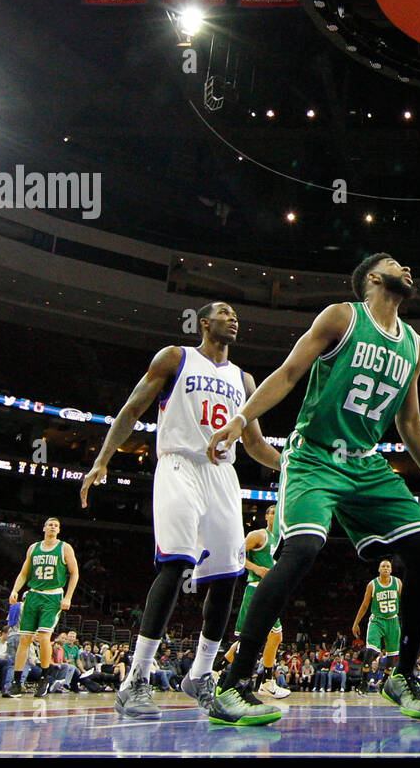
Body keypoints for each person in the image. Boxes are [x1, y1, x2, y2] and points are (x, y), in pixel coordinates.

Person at [206, 254, 420, 722]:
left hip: (366, 464)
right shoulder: (343, 317)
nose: (407, 268)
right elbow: (288, 373)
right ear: (372, 278)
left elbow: (409, 421)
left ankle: (402, 675)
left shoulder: (414, 343)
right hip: (314, 455)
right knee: (303, 549)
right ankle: (233, 684)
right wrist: (242, 418)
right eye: (395, 263)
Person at [80, 301, 282, 726]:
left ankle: (201, 675)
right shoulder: (175, 357)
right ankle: (134, 679)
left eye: (236, 315)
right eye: (225, 312)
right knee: (175, 565)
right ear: (204, 323)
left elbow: (255, 445)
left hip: (223, 475)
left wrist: (292, 463)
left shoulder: (243, 378)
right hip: (179, 464)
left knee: (229, 575)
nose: (234, 318)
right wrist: (103, 459)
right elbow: (133, 408)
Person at [3, 517, 79, 699]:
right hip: (33, 594)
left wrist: (68, 597)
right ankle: (16, 682)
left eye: (56, 525)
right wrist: (15, 590)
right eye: (50, 524)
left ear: (58, 530)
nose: (53, 527)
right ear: (44, 528)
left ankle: (44, 679)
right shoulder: (33, 548)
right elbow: (23, 573)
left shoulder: (64, 548)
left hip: (52, 596)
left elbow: (75, 572)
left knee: (44, 637)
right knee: (24, 640)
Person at [222, 506, 291, 699]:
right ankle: (218, 672)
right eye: (272, 512)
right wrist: (257, 568)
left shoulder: (282, 540)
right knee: (251, 638)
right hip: (256, 588)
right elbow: (236, 554)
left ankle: (265, 682)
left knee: (272, 638)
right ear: (267, 516)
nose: (276, 515)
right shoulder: (259, 535)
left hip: (272, 591)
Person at [352, 559, 403, 678]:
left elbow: (404, 602)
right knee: (371, 650)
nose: (385, 568)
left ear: (391, 570)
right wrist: (356, 623)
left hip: (393, 620)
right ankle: (364, 680)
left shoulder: (397, 582)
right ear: (379, 569)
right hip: (377, 620)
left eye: (388, 566)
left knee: (392, 656)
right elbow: (364, 605)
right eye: (383, 566)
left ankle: (384, 682)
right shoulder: (372, 585)